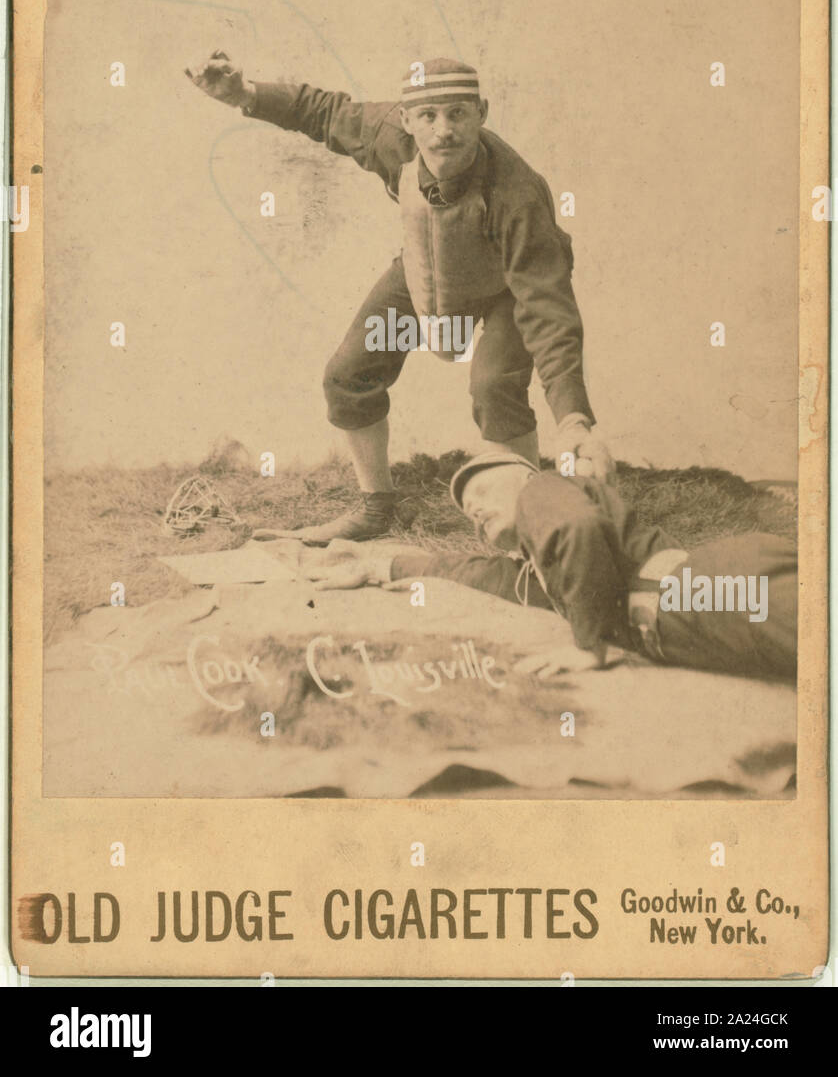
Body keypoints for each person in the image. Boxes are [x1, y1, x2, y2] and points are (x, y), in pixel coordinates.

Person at [186, 52, 613, 541]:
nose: (443, 130)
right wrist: (245, 95)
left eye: (458, 113)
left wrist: (574, 419)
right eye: (428, 116)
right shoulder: (389, 137)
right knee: (347, 375)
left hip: (507, 291)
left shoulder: (517, 195)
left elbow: (547, 308)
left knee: (495, 387)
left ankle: (529, 522)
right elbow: (323, 112)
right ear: (407, 121)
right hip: (426, 273)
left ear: (483, 113)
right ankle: (375, 508)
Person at [301, 453, 797, 681]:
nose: (471, 508)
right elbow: (478, 573)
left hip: (709, 591)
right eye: (465, 510)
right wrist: (379, 566)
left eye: (479, 491)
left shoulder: (543, 492)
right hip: (701, 609)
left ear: (521, 477)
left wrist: (592, 644)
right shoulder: (552, 564)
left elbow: (575, 527)